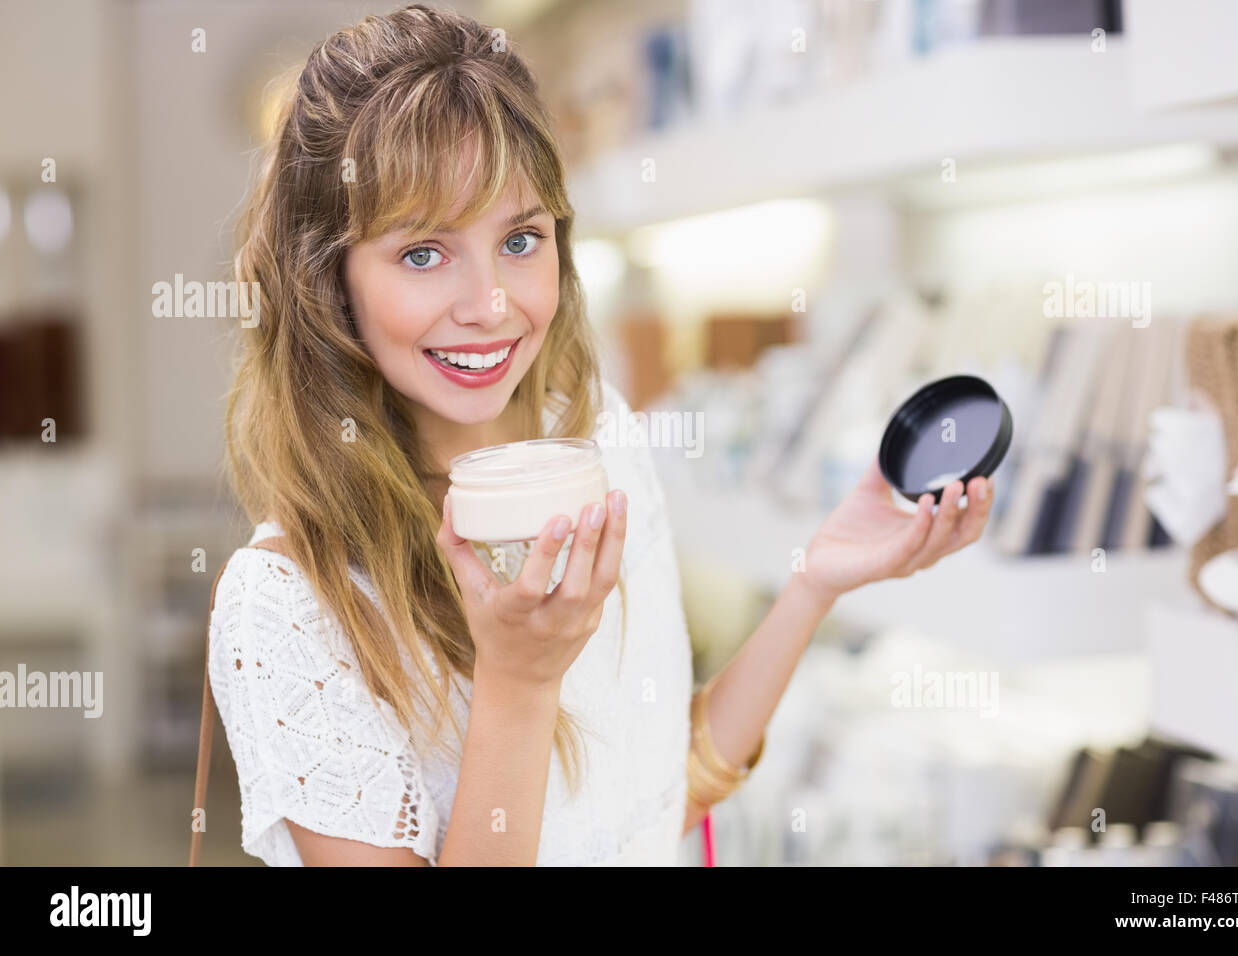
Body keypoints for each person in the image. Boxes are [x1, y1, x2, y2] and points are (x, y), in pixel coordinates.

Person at [209, 3, 994, 867]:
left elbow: (661, 794)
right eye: (423, 253)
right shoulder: (288, 603)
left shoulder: (595, 439)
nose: (490, 306)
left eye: (519, 238)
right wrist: (518, 681)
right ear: (329, 284)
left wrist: (813, 580)